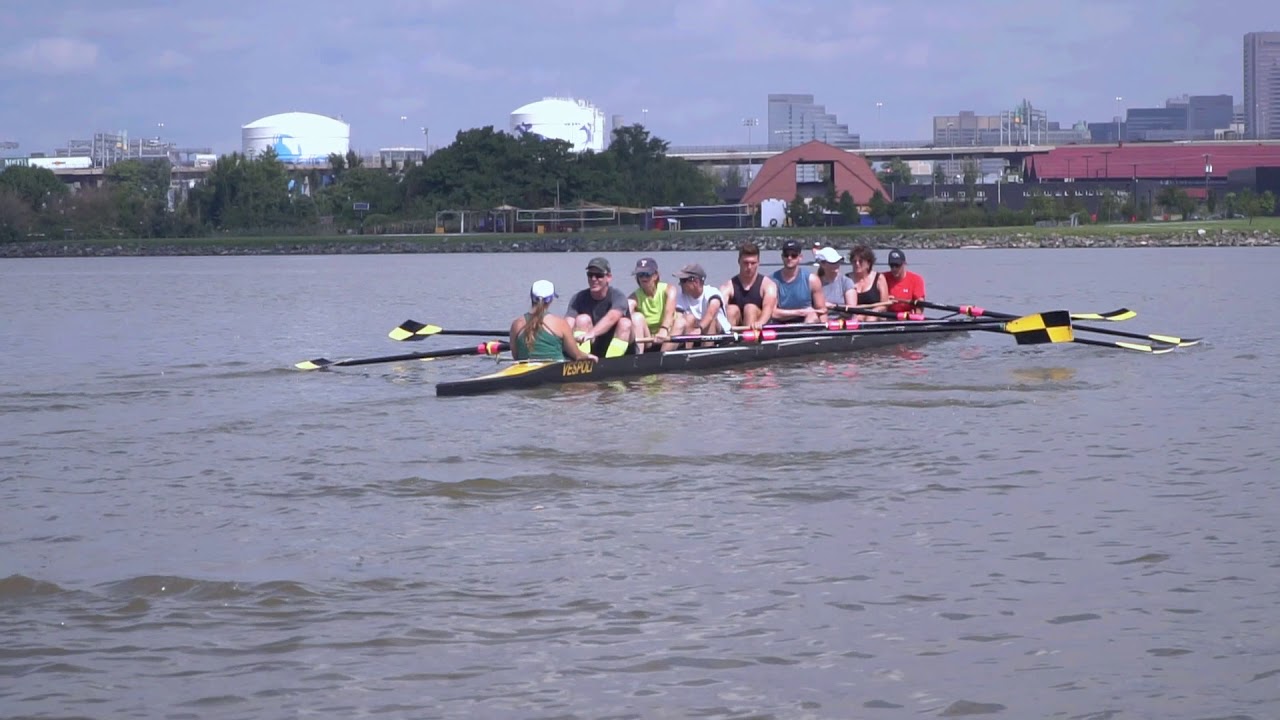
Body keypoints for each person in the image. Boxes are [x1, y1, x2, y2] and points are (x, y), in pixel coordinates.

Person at [509, 280, 598, 362]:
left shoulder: (516, 324)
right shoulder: (560, 323)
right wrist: (588, 356)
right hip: (555, 370)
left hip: (524, 370)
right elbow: (577, 355)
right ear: (551, 300)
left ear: (531, 297)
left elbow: (515, 356)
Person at [567, 257, 635, 358]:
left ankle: (612, 362)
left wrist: (591, 333)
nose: (593, 279)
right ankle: (582, 360)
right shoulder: (578, 298)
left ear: (608, 277)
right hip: (594, 345)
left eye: (599, 275)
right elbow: (567, 324)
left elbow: (612, 317)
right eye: (590, 275)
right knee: (582, 319)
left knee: (625, 323)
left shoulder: (618, 296)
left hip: (620, 341)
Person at [721, 241, 778, 329]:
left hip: (758, 328)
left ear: (758, 263)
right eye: (746, 263)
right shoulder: (728, 287)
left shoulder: (768, 285)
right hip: (735, 326)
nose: (749, 267)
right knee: (731, 310)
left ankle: (749, 341)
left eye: (753, 263)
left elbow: (768, 308)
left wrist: (760, 322)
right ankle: (728, 340)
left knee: (750, 308)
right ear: (739, 261)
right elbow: (720, 309)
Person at [770, 239, 827, 324]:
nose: (789, 258)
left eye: (794, 255)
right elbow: (773, 313)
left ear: (800, 257)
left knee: (813, 316)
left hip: (806, 324)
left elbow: (822, 311)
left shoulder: (812, 280)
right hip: (780, 325)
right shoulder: (772, 281)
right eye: (786, 255)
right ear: (782, 257)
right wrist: (802, 312)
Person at [627, 257, 677, 353]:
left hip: (667, 335)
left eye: (647, 274)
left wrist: (663, 329)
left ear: (655, 276)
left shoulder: (669, 290)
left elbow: (669, 312)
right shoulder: (634, 297)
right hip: (648, 339)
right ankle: (638, 357)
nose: (644, 278)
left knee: (681, 321)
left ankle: (663, 355)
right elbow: (627, 310)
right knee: (636, 317)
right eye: (640, 275)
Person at [671, 263, 731, 341]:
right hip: (695, 335)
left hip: (720, 335)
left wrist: (699, 328)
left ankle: (708, 350)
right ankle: (687, 351)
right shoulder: (681, 297)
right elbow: (678, 317)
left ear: (696, 282)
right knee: (688, 319)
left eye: (683, 281)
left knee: (711, 321)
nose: (680, 284)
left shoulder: (712, 293)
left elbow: (710, 314)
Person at [847, 244, 891, 321]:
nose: (857, 264)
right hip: (855, 314)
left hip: (875, 315)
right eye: (854, 261)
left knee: (871, 318)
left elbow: (884, 305)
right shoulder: (846, 279)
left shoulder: (879, 278)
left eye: (860, 261)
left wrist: (874, 311)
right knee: (857, 318)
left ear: (868, 263)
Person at [883, 248, 926, 314]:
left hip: (908, 317)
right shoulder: (882, 278)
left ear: (904, 264)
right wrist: (884, 299)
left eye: (897, 265)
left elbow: (920, 304)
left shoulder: (916, 279)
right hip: (887, 316)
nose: (894, 269)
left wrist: (917, 318)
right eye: (892, 265)